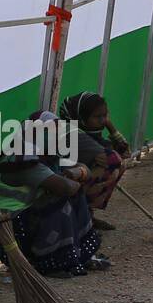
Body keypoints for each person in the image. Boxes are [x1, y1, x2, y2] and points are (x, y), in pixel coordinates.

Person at [0, 111, 109, 278]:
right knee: (58, 201)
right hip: (8, 233)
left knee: (69, 195)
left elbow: (82, 169)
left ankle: (76, 256)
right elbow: (66, 187)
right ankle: (49, 261)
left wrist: (75, 173)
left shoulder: (47, 156)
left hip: (23, 222)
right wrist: (74, 176)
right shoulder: (23, 161)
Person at [58, 90, 128, 229]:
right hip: (61, 184)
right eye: (97, 116)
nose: (103, 120)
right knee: (112, 165)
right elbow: (113, 159)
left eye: (105, 115)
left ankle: (87, 214)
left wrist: (110, 126)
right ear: (81, 118)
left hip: (74, 180)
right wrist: (113, 155)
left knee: (118, 163)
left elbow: (125, 152)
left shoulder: (91, 133)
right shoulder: (72, 134)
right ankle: (79, 216)